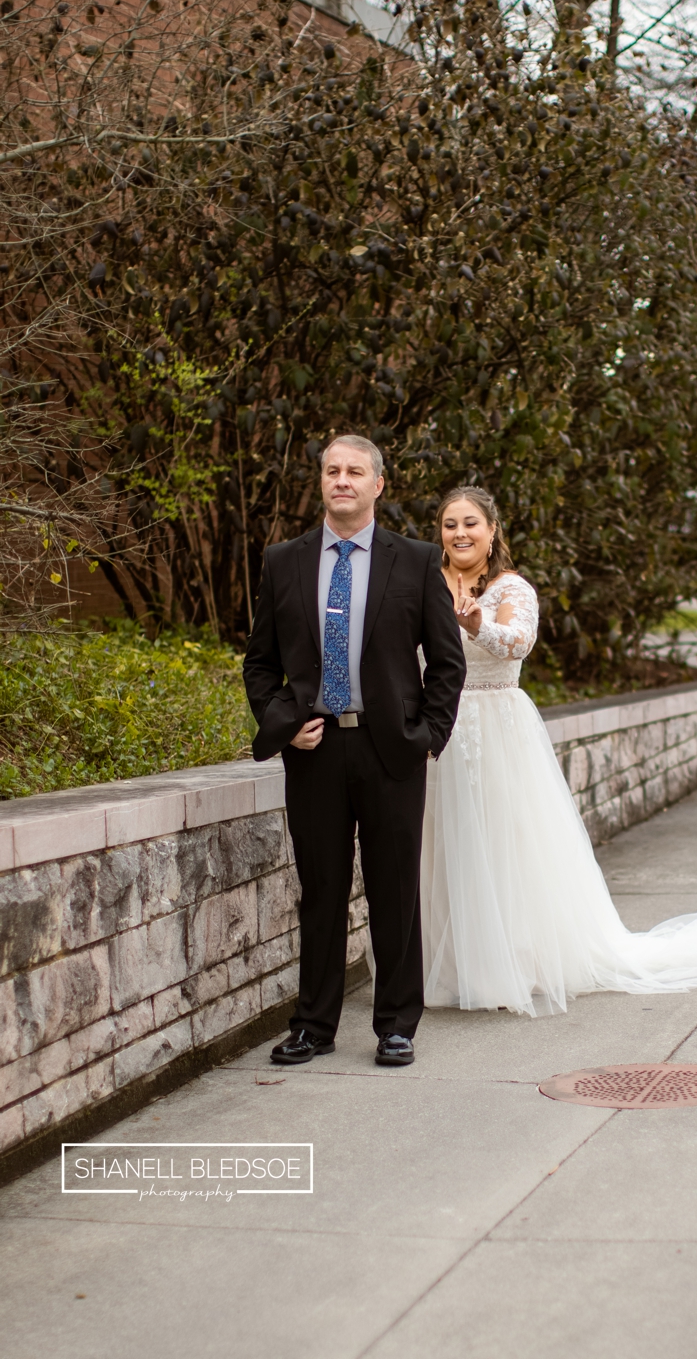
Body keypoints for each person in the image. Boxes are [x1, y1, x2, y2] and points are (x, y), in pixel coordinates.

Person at [418, 486, 697, 1015]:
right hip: (437, 728)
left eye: (470, 523)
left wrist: (474, 622)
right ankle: (455, 964)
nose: (459, 533)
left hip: (498, 726)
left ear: (492, 529)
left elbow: (518, 642)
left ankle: (515, 963)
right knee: (446, 847)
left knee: (503, 847)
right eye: (450, 524)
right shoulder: (425, 584)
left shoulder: (512, 588)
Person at [245, 434, 467, 1069]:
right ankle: (312, 1026)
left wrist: (427, 736)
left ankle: (397, 1024)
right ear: (322, 483)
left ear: (378, 485)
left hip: (391, 751)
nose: (342, 480)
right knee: (320, 891)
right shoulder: (283, 560)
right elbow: (259, 664)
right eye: (332, 471)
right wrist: (281, 724)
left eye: (355, 472)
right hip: (314, 752)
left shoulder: (417, 559)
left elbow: (445, 664)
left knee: (395, 890)